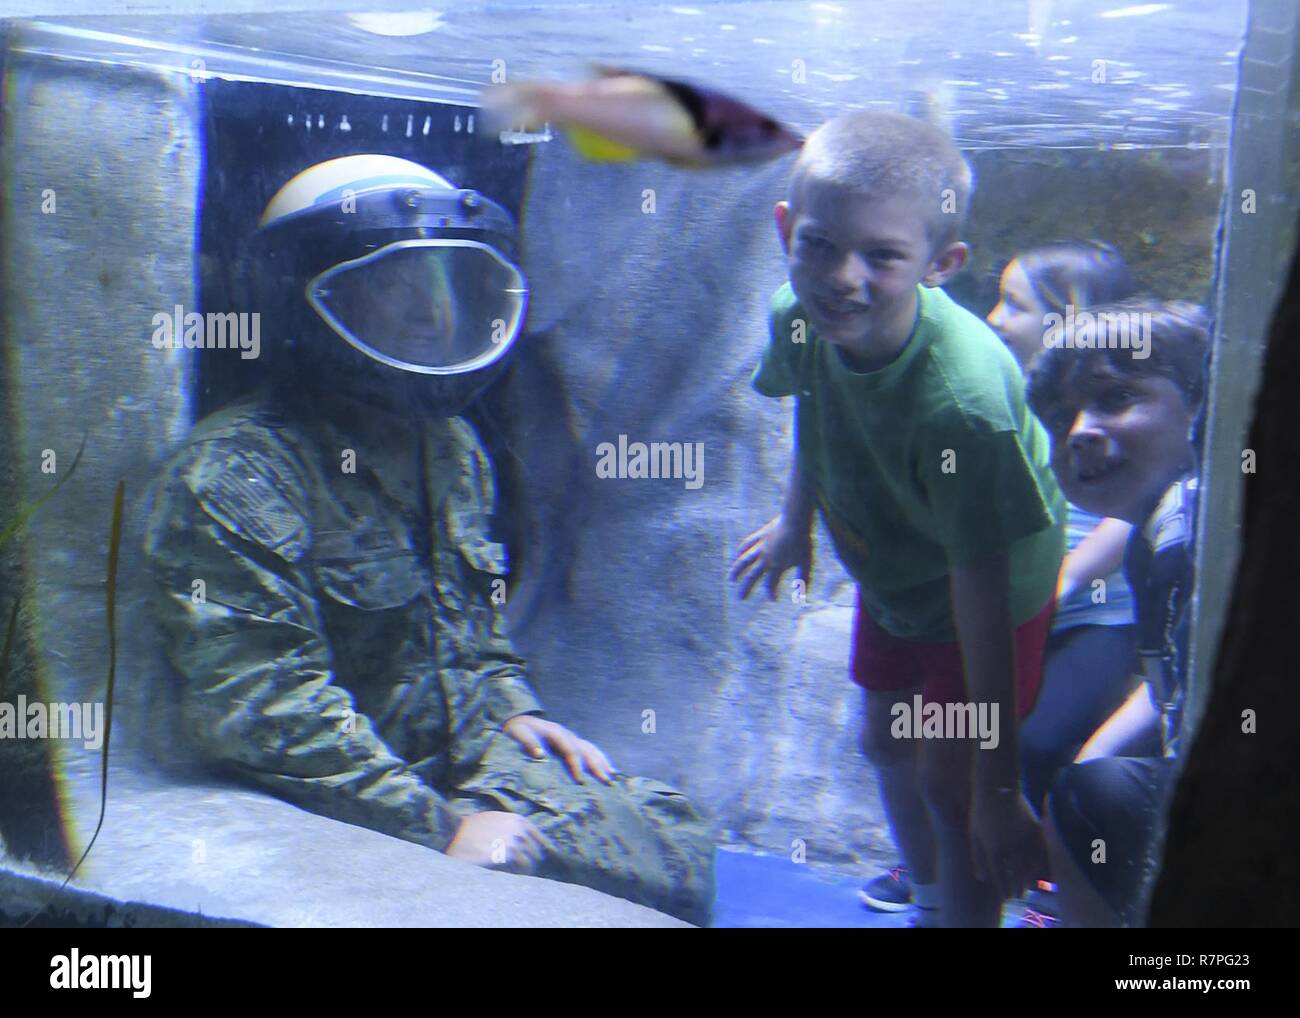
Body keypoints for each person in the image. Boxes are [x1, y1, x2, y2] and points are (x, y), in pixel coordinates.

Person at [143, 154, 715, 925]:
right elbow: (262, 704)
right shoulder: (235, 473)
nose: (432, 311)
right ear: (307, 296)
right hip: (326, 792)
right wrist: (438, 827)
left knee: (674, 845)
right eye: (394, 283)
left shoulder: (449, 447)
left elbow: (469, 632)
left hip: (459, 757)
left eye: (447, 281)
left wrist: (511, 706)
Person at [730, 112, 1066, 927]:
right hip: (898, 572)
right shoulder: (799, 315)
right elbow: (818, 405)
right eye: (818, 243)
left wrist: (1000, 788)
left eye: (881, 256)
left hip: (990, 588)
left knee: (957, 786)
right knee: (887, 744)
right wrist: (793, 522)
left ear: (942, 264)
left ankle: (969, 913)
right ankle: (932, 900)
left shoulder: (964, 404)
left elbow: (980, 594)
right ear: (786, 229)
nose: (842, 277)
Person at [861, 241, 1144, 922]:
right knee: (939, 729)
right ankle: (946, 862)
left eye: (1013, 304)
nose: (992, 317)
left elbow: (1135, 512)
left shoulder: (1112, 398)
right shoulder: (986, 385)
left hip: (1093, 612)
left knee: (1039, 739)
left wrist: (1066, 580)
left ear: (1068, 315)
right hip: (1012, 600)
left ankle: (1049, 871)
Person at [1025, 298, 1207, 927]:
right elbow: (1170, 693)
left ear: (1202, 406)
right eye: (1059, 416)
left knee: (1090, 795)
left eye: (1116, 397)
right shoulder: (1149, 539)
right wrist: (1082, 775)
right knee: (1086, 790)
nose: (1076, 430)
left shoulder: (1191, 523)